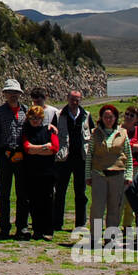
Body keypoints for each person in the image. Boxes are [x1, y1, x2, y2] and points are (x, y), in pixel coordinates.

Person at [0, 79, 29, 239]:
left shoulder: (27, 111)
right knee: (4, 194)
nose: (13, 96)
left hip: (22, 157)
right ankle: (4, 227)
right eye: (10, 93)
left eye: (16, 93)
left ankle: (22, 226)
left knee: (22, 194)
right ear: (5, 94)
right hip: (5, 157)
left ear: (20, 94)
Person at [86, 104, 133, 243]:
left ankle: (111, 238)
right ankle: (95, 237)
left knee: (115, 208)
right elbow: (90, 155)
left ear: (115, 118)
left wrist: (129, 175)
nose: (108, 119)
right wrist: (87, 175)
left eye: (111, 117)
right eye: (105, 117)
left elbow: (128, 156)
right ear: (101, 118)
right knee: (97, 208)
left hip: (118, 175)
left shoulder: (123, 133)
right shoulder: (95, 133)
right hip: (99, 174)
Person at [54, 90, 94, 233]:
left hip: (81, 159)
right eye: (72, 99)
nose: (74, 102)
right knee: (60, 191)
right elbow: (53, 133)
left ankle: (80, 223)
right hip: (63, 158)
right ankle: (57, 222)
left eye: (77, 100)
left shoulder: (86, 115)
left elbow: (93, 133)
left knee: (80, 192)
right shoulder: (59, 115)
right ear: (67, 98)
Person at [18, 104, 60, 238]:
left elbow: (54, 149)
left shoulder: (49, 131)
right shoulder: (26, 132)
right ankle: (37, 229)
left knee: (47, 201)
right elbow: (27, 148)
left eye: (37, 118)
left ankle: (48, 230)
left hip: (47, 172)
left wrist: (36, 150)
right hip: (31, 172)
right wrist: (44, 147)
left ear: (42, 118)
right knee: (34, 202)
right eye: (32, 118)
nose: (35, 120)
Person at [120, 105, 138, 234]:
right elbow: (118, 147)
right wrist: (134, 146)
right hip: (121, 167)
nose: (128, 117)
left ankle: (127, 226)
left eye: (132, 115)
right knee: (120, 199)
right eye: (127, 114)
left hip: (137, 167)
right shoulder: (119, 129)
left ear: (137, 118)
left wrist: (129, 146)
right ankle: (114, 226)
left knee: (132, 199)